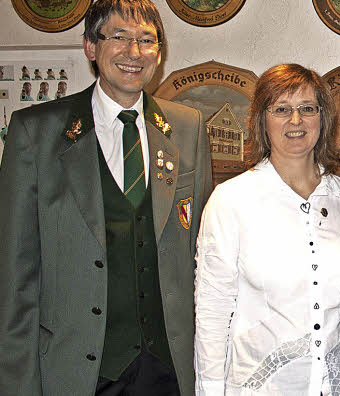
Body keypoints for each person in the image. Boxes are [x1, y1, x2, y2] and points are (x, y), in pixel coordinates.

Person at [0, 0, 212, 394]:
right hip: (76, 371)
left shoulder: (187, 127)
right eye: (119, 37)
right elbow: (15, 280)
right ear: (90, 46)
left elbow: (203, 257)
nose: (134, 52)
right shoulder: (36, 133)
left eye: (147, 40)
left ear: (159, 52)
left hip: (168, 368)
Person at [193, 63, 340, 396]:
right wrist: (209, 390)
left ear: (323, 118)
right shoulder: (230, 200)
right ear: (262, 120)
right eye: (281, 109)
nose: (296, 120)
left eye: (307, 109)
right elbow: (213, 310)